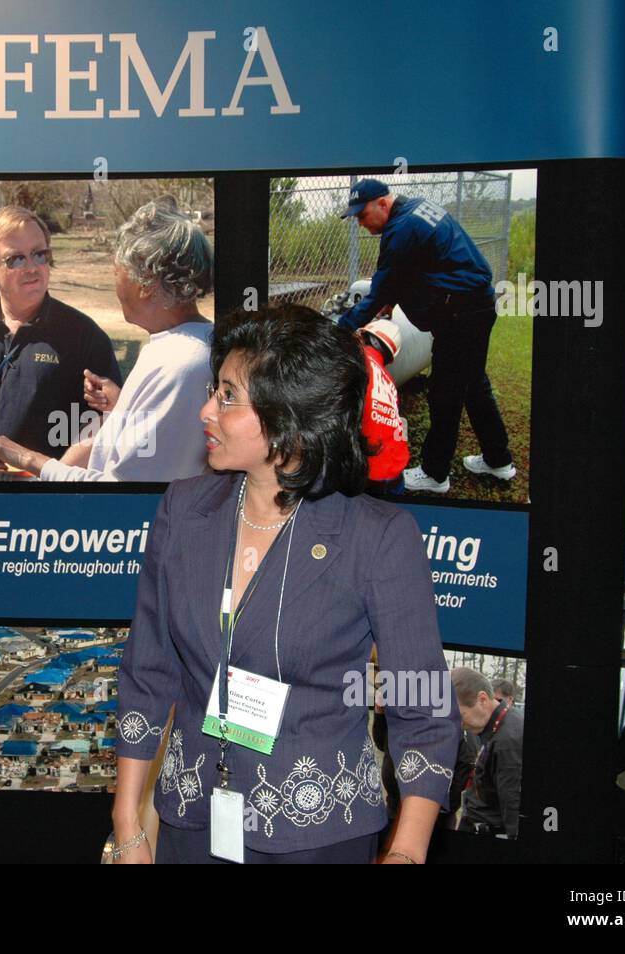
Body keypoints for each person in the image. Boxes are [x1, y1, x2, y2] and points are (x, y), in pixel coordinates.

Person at [111, 305, 460, 864]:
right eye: (213, 389)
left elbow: (423, 709)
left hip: (317, 832)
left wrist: (407, 852)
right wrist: (128, 824)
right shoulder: (183, 511)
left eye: (228, 396)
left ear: (288, 419)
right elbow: (148, 674)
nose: (206, 410)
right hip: (189, 820)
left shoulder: (378, 537)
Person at [0, 197, 213, 481]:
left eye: (117, 272)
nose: (115, 285)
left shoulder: (180, 366)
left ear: (145, 284)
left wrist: (29, 460)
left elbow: (122, 493)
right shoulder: (179, 349)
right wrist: (123, 407)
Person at [337, 178, 515, 494]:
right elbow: (416, 268)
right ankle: (498, 460)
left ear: (382, 203)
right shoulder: (417, 208)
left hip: (461, 315)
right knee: (473, 384)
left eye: (362, 216)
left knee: (445, 392)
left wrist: (335, 332)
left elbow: (379, 292)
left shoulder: (400, 231)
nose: (362, 225)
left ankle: (435, 474)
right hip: (475, 305)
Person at [0, 206, 121, 469]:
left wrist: (55, 478)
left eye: (39, 255)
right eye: (16, 259)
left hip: (41, 497)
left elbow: (105, 420)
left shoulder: (85, 336)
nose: (32, 268)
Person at [452, 667, 524, 838]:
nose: (456, 724)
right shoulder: (491, 726)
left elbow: (513, 807)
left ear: (482, 700)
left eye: (459, 715)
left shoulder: (508, 742)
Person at [357, 318, 409, 492]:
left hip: (369, 476)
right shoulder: (389, 382)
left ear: (366, 337)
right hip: (397, 471)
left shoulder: (357, 358)